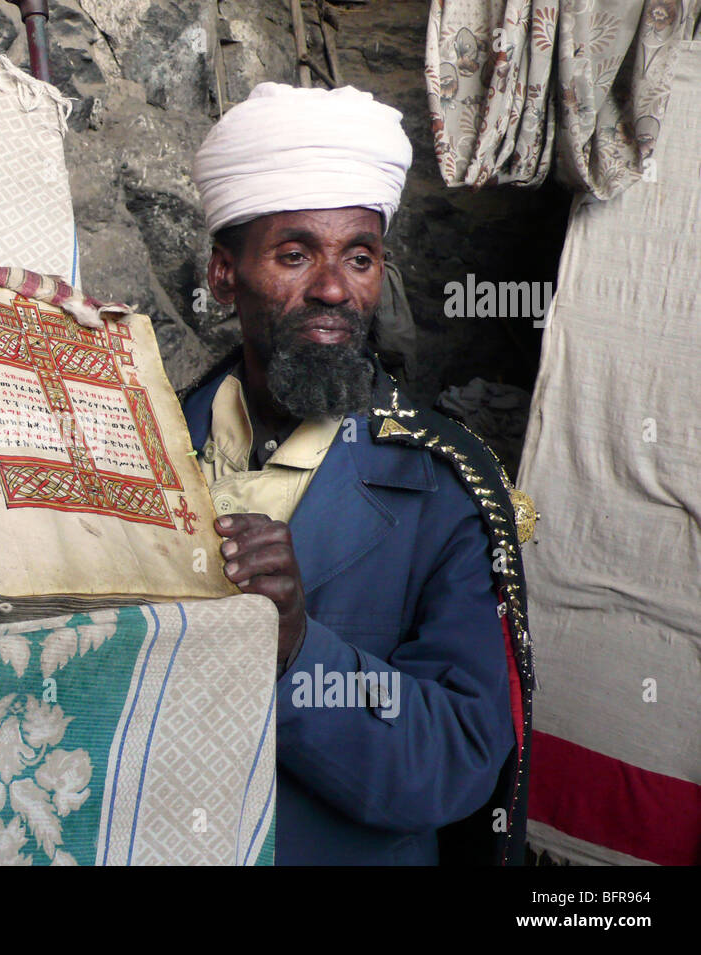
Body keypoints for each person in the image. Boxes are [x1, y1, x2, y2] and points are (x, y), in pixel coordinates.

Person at [183, 82, 534, 865]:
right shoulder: (146, 446)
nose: (335, 288)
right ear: (221, 273)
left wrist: (300, 649)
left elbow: (458, 756)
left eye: (360, 256)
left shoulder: (448, 485)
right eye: (295, 253)